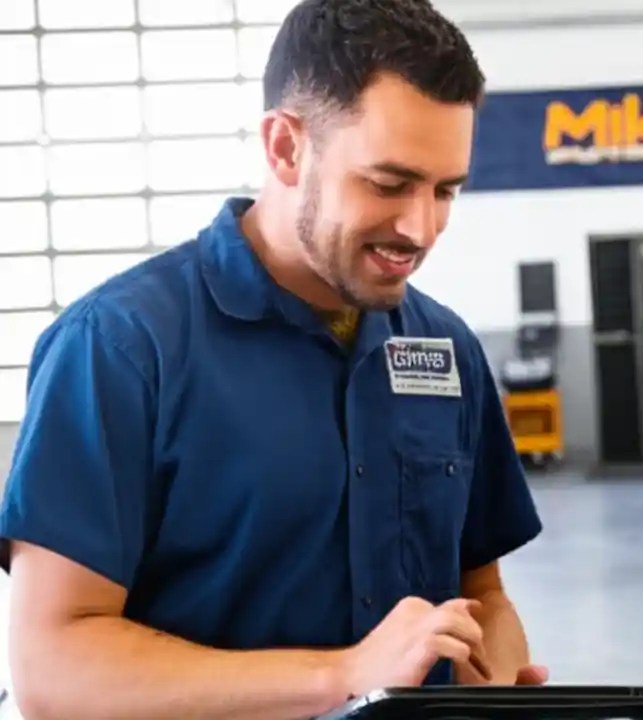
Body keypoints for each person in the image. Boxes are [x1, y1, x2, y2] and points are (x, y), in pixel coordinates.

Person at [0, 1, 548, 718]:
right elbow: (52, 672)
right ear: (286, 148)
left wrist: (493, 669)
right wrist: (346, 675)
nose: (422, 227)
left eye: (445, 190)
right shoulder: (121, 348)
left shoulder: (445, 349)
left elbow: (484, 595)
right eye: (388, 184)